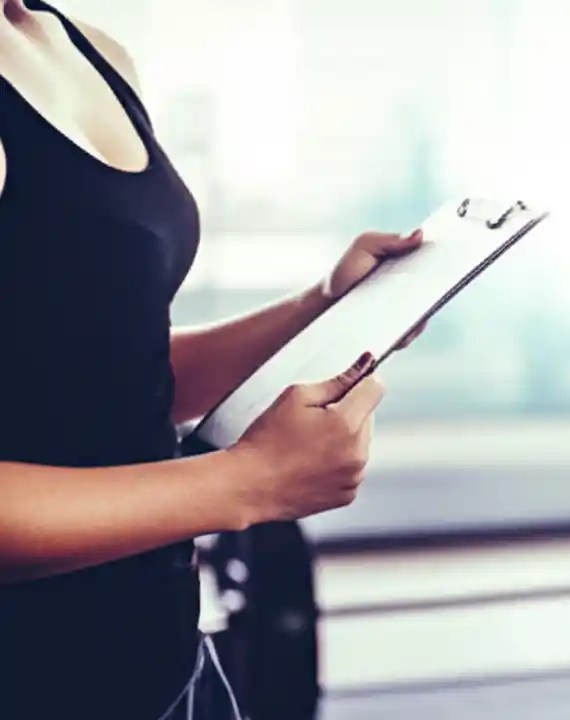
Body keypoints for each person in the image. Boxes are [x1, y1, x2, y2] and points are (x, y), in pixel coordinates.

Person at [0, 1, 429, 716]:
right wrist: (250, 483)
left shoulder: (82, 49)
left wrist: (317, 307)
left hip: (166, 661)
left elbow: (92, 366)